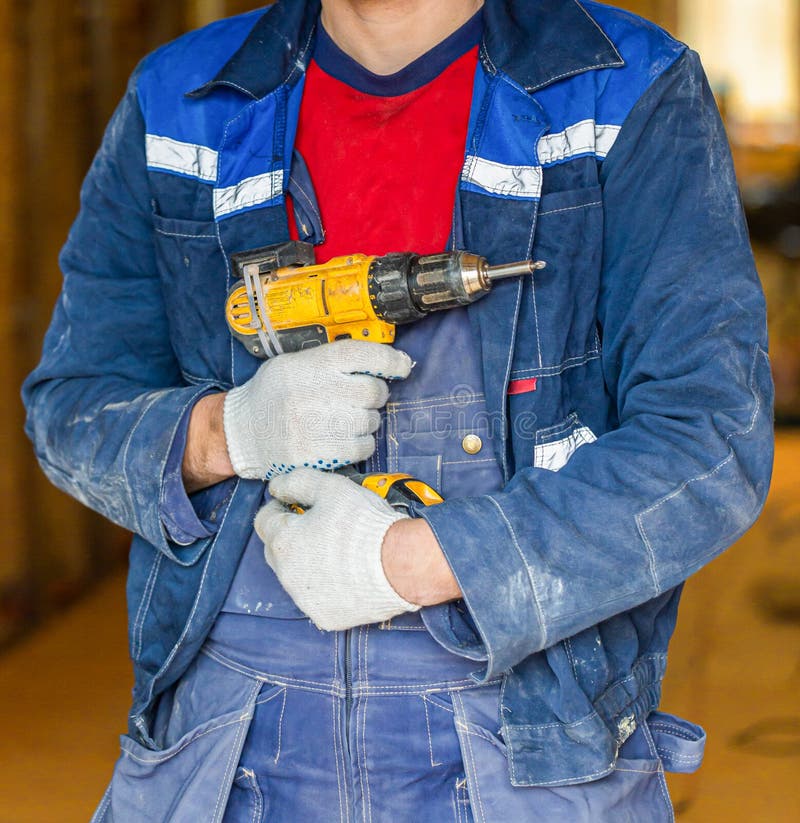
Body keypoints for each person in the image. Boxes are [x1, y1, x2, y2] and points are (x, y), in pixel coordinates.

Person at [23, 0, 773, 820]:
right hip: (223, 744)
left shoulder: (621, 91)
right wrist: (227, 431)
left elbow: (709, 442)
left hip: (528, 732)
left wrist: (416, 561)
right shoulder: (181, 100)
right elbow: (72, 407)